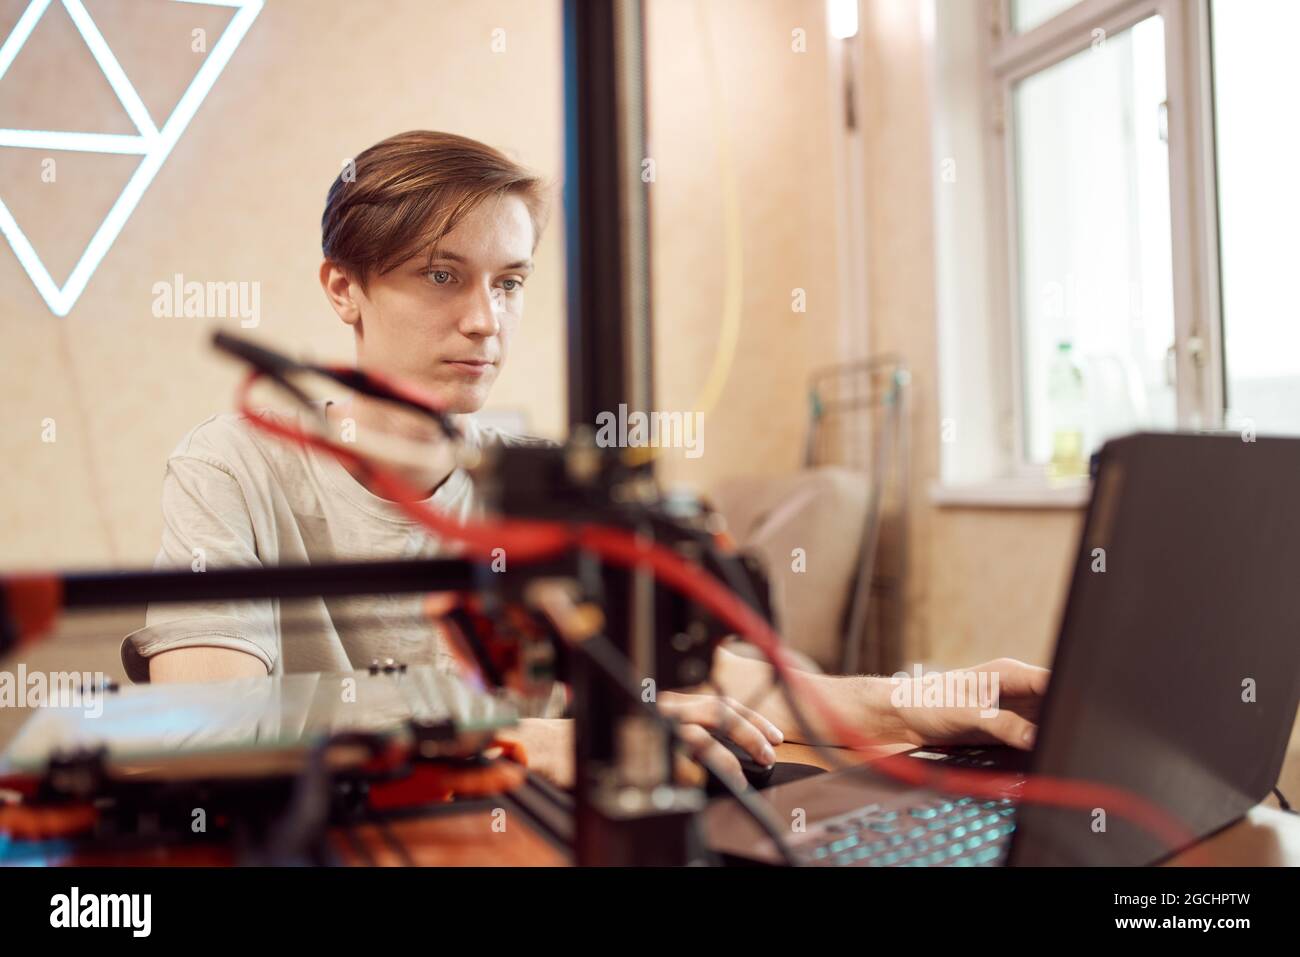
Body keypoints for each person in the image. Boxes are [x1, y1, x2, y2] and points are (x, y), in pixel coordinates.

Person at [126, 130, 1048, 789]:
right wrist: (528, 742)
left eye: (511, 283)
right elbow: (213, 719)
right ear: (344, 287)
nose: (487, 321)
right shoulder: (231, 466)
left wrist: (912, 701)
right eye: (443, 275)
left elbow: (704, 675)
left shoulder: (524, 483)